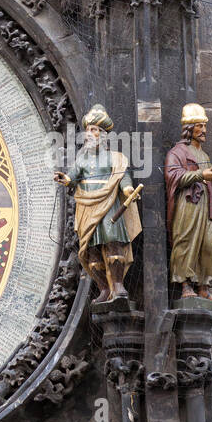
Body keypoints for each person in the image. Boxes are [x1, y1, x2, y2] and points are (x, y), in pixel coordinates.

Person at [54, 103, 141, 301]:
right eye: (87, 130)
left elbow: (122, 176)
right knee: (91, 249)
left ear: (103, 134)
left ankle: (117, 285)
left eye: (93, 130)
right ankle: (103, 288)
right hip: (87, 205)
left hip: (109, 204)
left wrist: (127, 190)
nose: (88, 134)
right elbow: (72, 177)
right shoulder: (82, 159)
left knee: (113, 244)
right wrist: (64, 179)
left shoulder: (114, 157)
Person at [166, 103, 212, 304]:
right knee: (186, 241)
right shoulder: (177, 152)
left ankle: (204, 286)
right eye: (199, 126)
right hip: (188, 205)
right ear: (189, 128)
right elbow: (172, 175)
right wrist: (199, 174)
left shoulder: (204, 155)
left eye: (204, 126)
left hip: (205, 204)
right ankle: (186, 285)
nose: (204, 130)